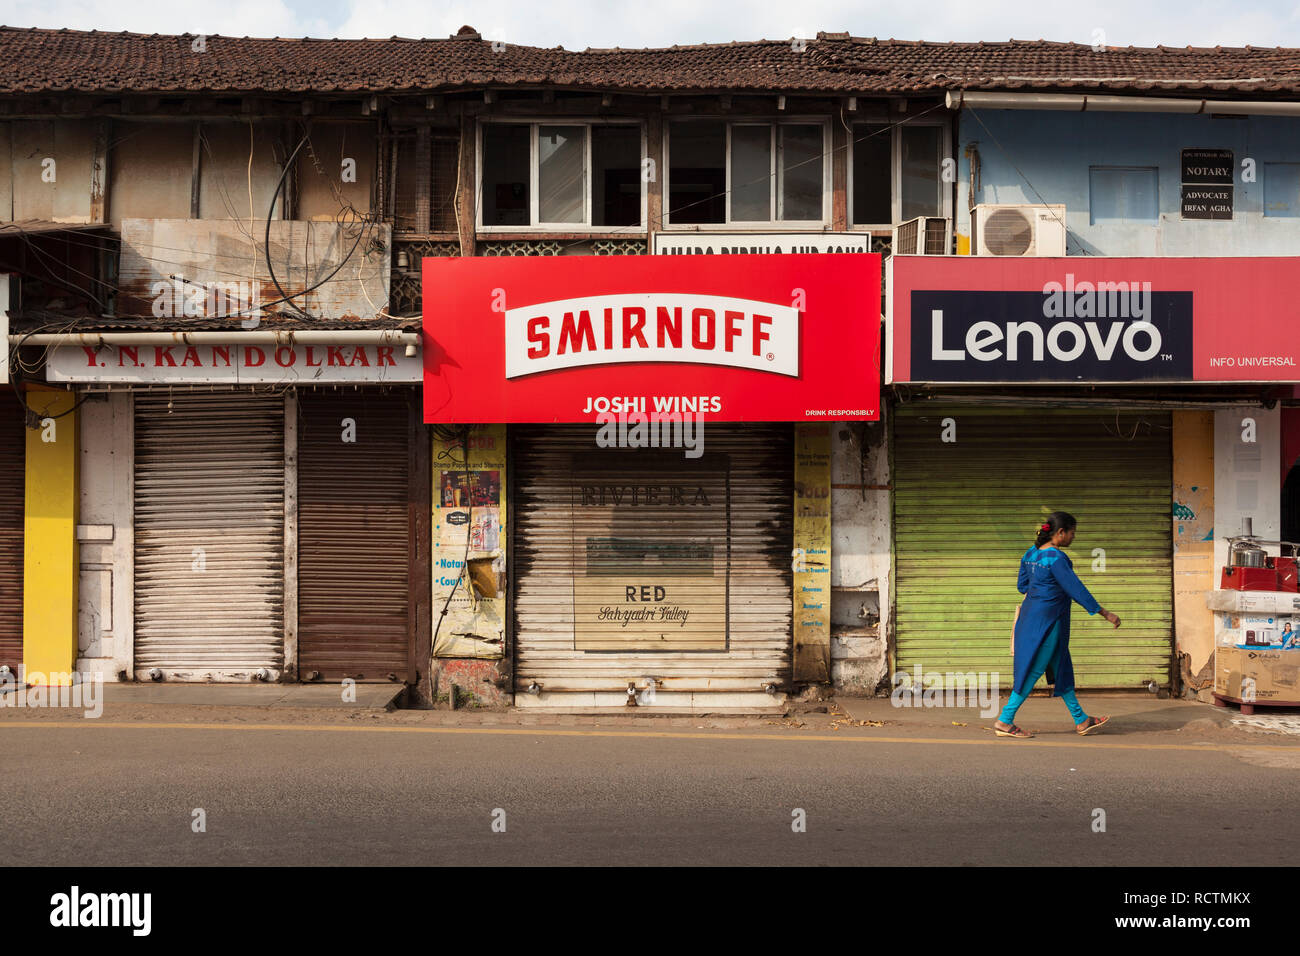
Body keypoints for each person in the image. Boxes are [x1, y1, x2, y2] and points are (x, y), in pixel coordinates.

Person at [994, 511, 1121, 739]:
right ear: (1060, 533)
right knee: (1032, 670)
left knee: (1061, 667)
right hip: (1048, 623)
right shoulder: (1056, 558)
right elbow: (1077, 589)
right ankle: (1005, 720)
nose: (1074, 537)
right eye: (1072, 533)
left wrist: (1041, 588)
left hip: (1031, 620)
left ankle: (1081, 720)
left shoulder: (1030, 554)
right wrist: (1105, 613)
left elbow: (1022, 586)